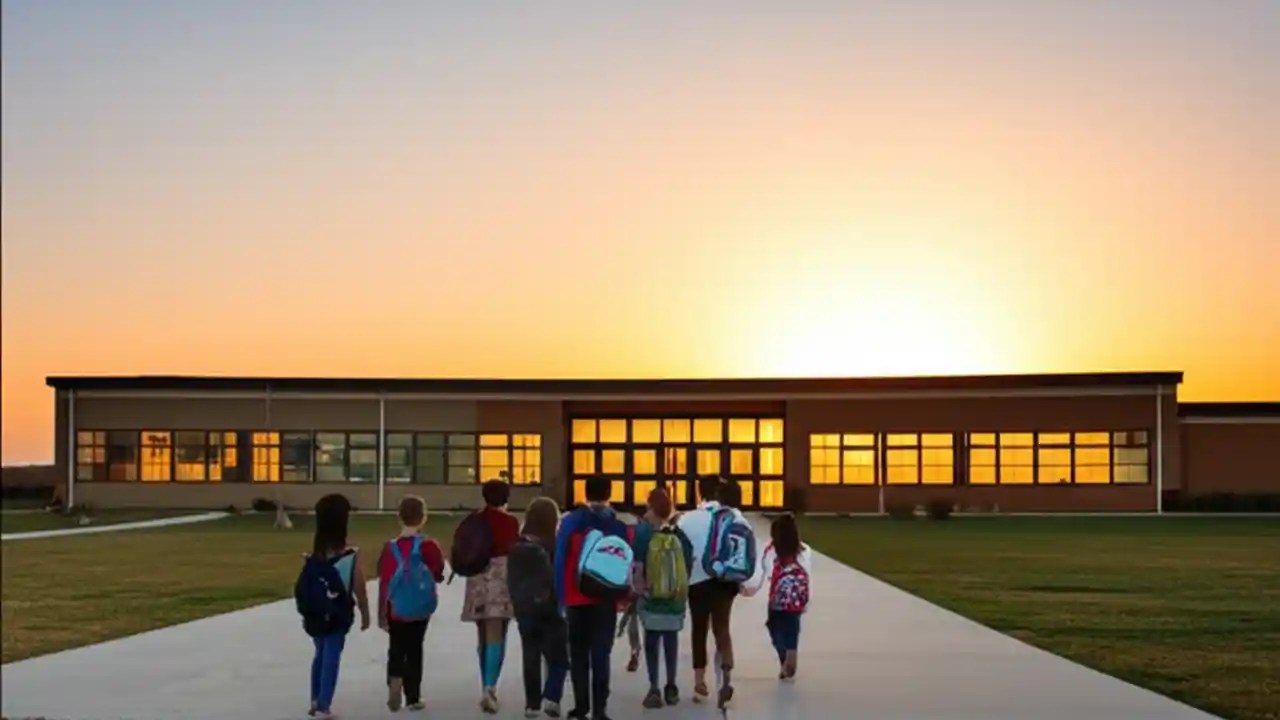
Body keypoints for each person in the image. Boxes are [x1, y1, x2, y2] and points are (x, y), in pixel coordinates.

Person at [675, 476, 756, 710]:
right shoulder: (732, 517)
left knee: (699, 630)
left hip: (696, 582)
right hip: (724, 581)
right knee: (722, 628)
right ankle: (726, 677)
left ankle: (700, 682)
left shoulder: (687, 519)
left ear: (700, 493)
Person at [554, 476, 629, 720]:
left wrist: (561, 596)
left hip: (576, 598)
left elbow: (560, 559)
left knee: (577, 655)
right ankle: (600, 709)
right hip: (605, 598)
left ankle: (581, 706)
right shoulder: (616, 525)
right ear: (609, 493)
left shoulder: (572, 522)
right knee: (601, 655)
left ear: (585, 493)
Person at [303, 494, 370, 719]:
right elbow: (359, 586)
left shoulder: (314, 556)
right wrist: (365, 611)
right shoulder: (349, 556)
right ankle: (324, 704)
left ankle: (315, 698)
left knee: (320, 652)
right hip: (338, 613)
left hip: (315, 613)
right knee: (332, 654)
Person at [377, 495, 446, 712]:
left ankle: (394, 681)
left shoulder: (390, 549)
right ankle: (413, 696)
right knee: (415, 649)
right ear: (423, 518)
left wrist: (381, 611)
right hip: (419, 607)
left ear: (400, 518)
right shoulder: (428, 546)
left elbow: (385, 581)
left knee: (396, 647)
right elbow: (438, 571)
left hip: (396, 607)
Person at [463, 479, 521, 714]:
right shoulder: (510, 522)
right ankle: (490, 687)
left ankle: (485, 683)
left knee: (483, 633)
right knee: (499, 632)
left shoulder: (474, 520)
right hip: (501, 577)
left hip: (477, 576)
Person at [631, 487, 692, 709]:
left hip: (651, 594)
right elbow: (687, 561)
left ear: (650, 506)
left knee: (652, 639)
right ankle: (672, 685)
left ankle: (654, 686)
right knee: (670, 638)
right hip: (674, 596)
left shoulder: (644, 531)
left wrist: (638, 590)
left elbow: (636, 563)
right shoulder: (678, 531)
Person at [508, 497, 569, 718]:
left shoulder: (517, 547)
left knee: (530, 655)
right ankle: (552, 696)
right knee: (558, 657)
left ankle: (532, 704)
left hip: (525, 608)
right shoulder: (553, 546)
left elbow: (511, 581)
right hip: (550, 607)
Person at [744, 512, 812, 680]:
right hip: (797, 600)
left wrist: (750, 588)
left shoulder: (770, 551)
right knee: (792, 629)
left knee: (775, 628)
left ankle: (784, 660)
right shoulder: (804, 551)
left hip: (777, 600)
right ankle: (791, 653)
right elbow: (807, 574)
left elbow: (761, 573)